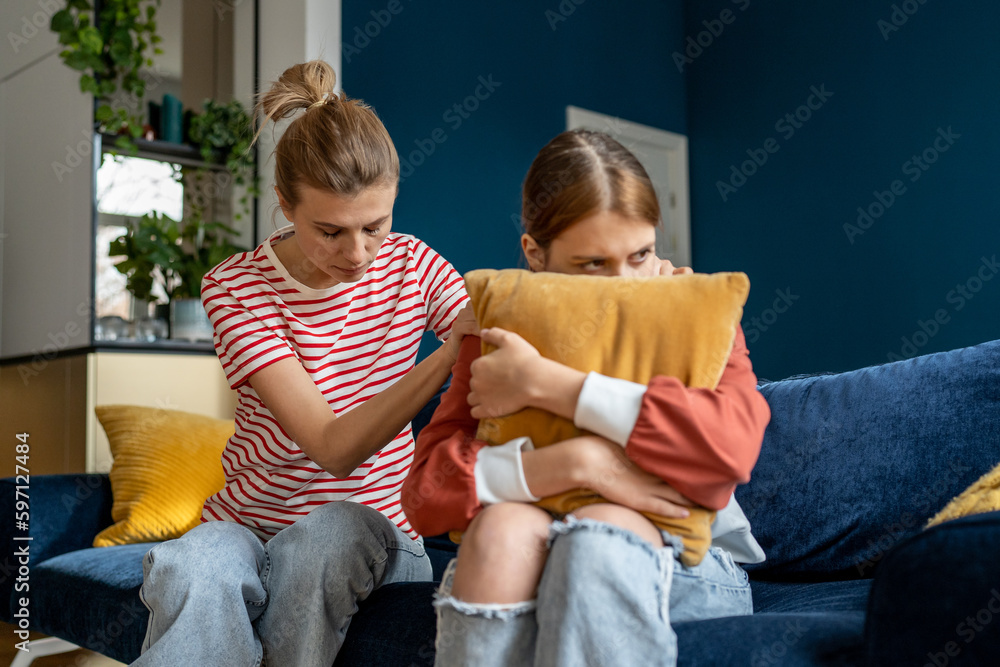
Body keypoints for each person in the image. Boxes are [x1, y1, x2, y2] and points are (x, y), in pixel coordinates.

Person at [132, 60, 473, 667]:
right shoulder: (235, 287)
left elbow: (509, 336)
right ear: (286, 204)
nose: (360, 253)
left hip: (375, 530)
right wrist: (450, 353)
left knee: (330, 535)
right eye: (331, 231)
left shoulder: (414, 265)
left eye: (376, 225)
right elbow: (332, 446)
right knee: (191, 563)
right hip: (248, 525)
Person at [401, 129, 772, 666]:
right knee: (502, 531)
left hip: (689, 562)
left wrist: (549, 385)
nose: (624, 284)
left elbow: (732, 447)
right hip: (537, 532)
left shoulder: (694, 312)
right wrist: (578, 464)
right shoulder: (497, 328)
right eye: (593, 264)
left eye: (640, 254)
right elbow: (425, 491)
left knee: (596, 540)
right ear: (536, 254)